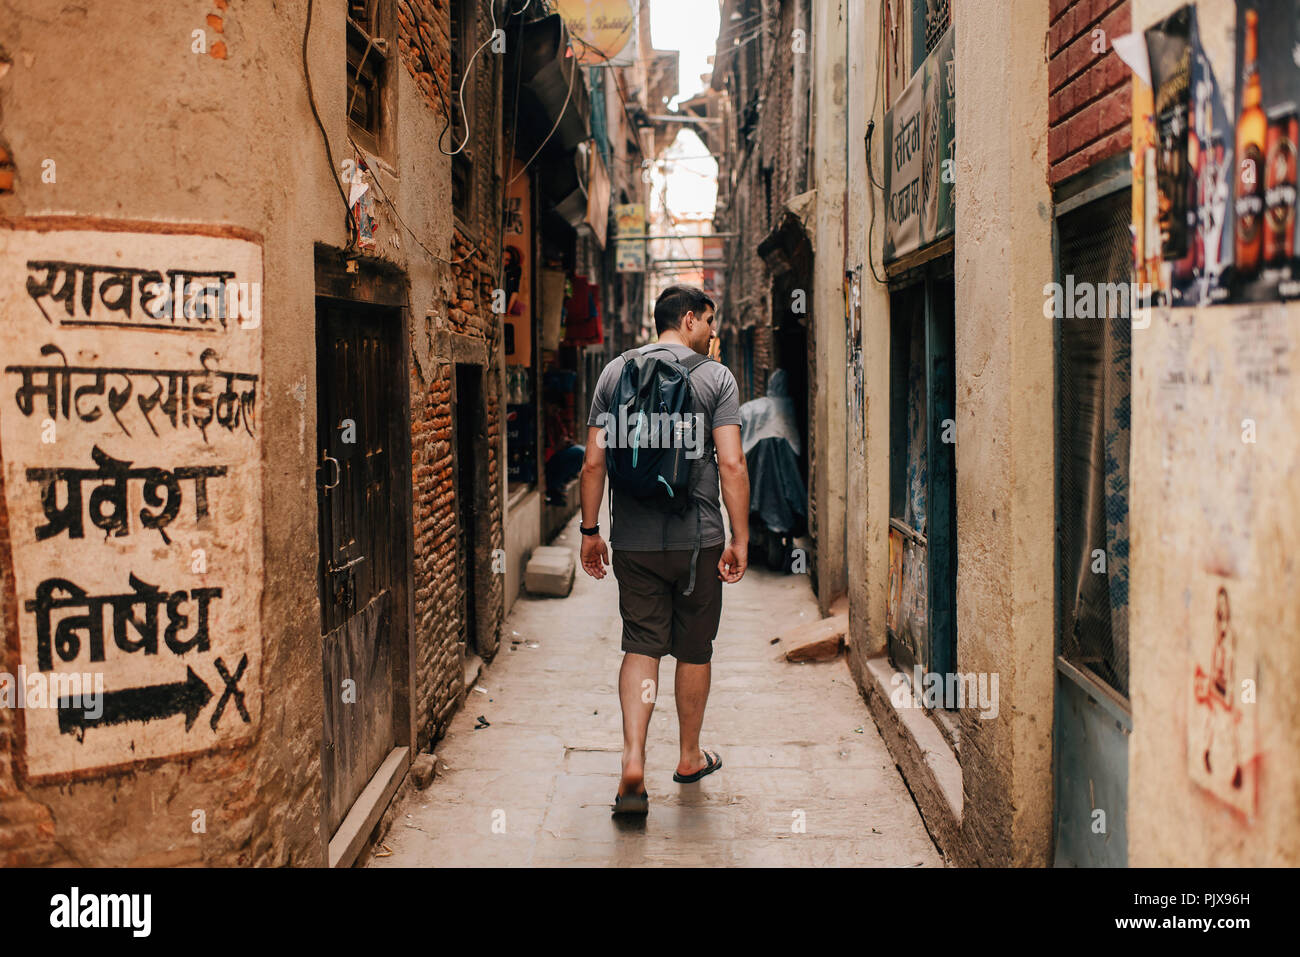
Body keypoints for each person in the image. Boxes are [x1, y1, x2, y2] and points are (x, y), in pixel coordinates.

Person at [578, 284, 750, 815]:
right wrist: (740, 537)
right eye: (711, 323)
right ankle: (689, 756)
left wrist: (590, 531)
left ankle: (633, 759)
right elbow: (732, 465)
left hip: (632, 541)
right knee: (694, 649)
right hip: (698, 540)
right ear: (691, 319)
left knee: (641, 645)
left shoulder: (614, 373)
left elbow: (593, 463)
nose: (714, 334)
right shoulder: (715, 378)